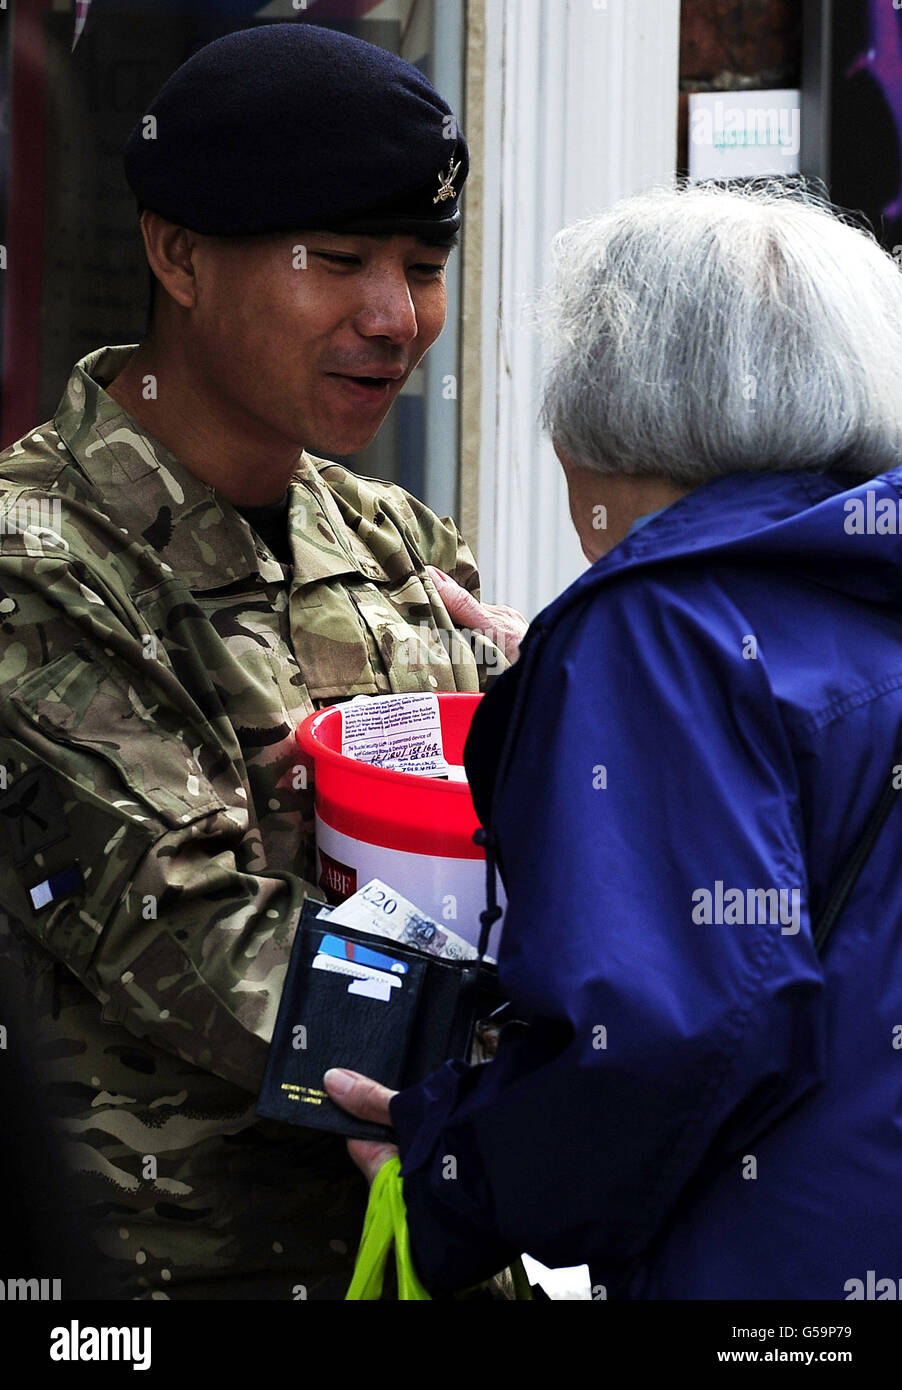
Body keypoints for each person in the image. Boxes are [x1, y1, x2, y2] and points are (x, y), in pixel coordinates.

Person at [0, 23, 524, 1301]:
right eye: (337, 261)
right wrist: (575, 1065)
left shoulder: (387, 534)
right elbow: (194, 934)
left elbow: (518, 853)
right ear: (177, 254)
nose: (398, 318)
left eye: (423, 264)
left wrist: (586, 725)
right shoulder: (38, 562)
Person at [327, 181, 902, 1300]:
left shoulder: (656, 634)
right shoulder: (848, 582)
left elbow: (664, 1034)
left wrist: (453, 1169)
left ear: (610, 400)